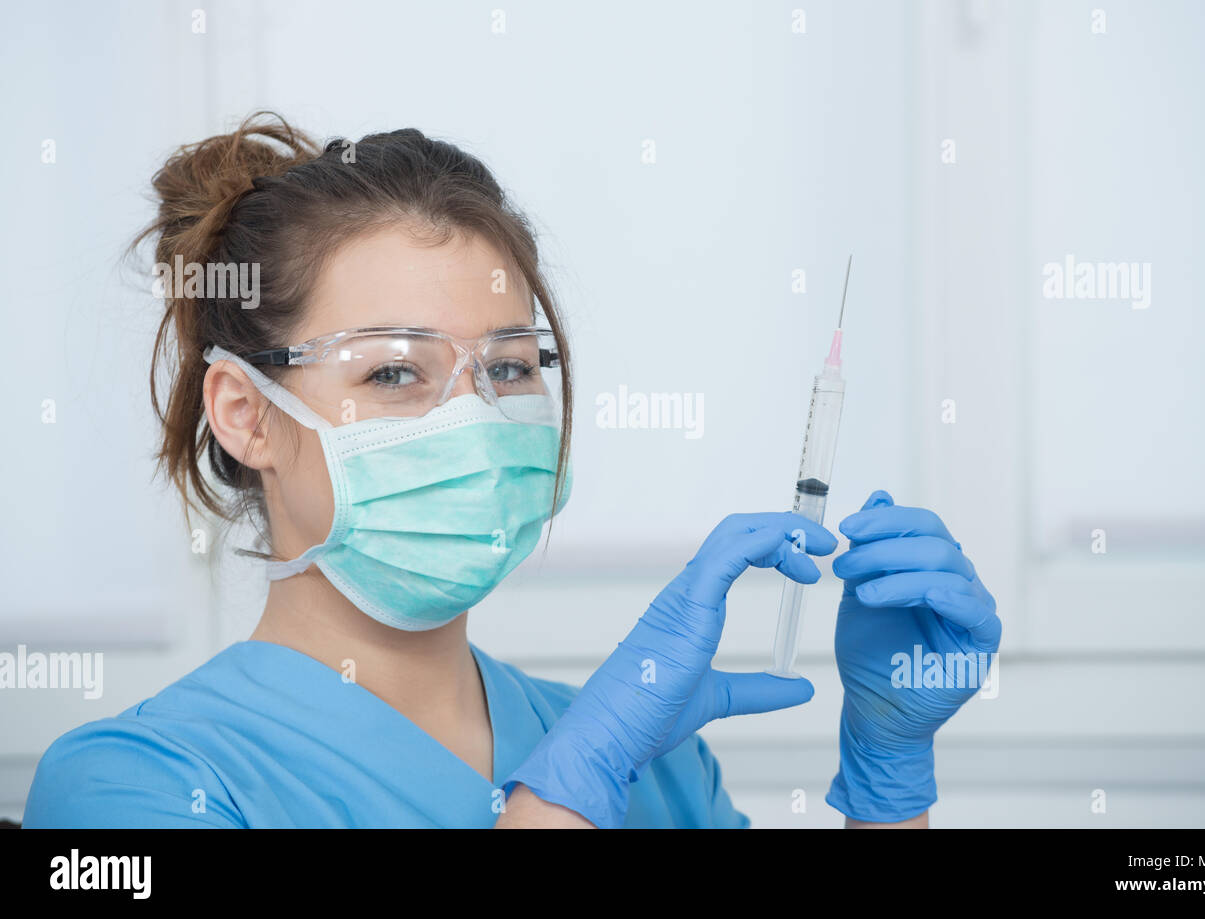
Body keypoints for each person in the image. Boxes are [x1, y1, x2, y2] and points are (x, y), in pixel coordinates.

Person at [22, 113, 1001, 829]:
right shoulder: (134, 784)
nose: (475, 419)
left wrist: (888, 781)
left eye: (507, 367)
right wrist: (573, 783)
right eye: (396, 371)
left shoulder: (653, 760)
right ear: (246, 417)